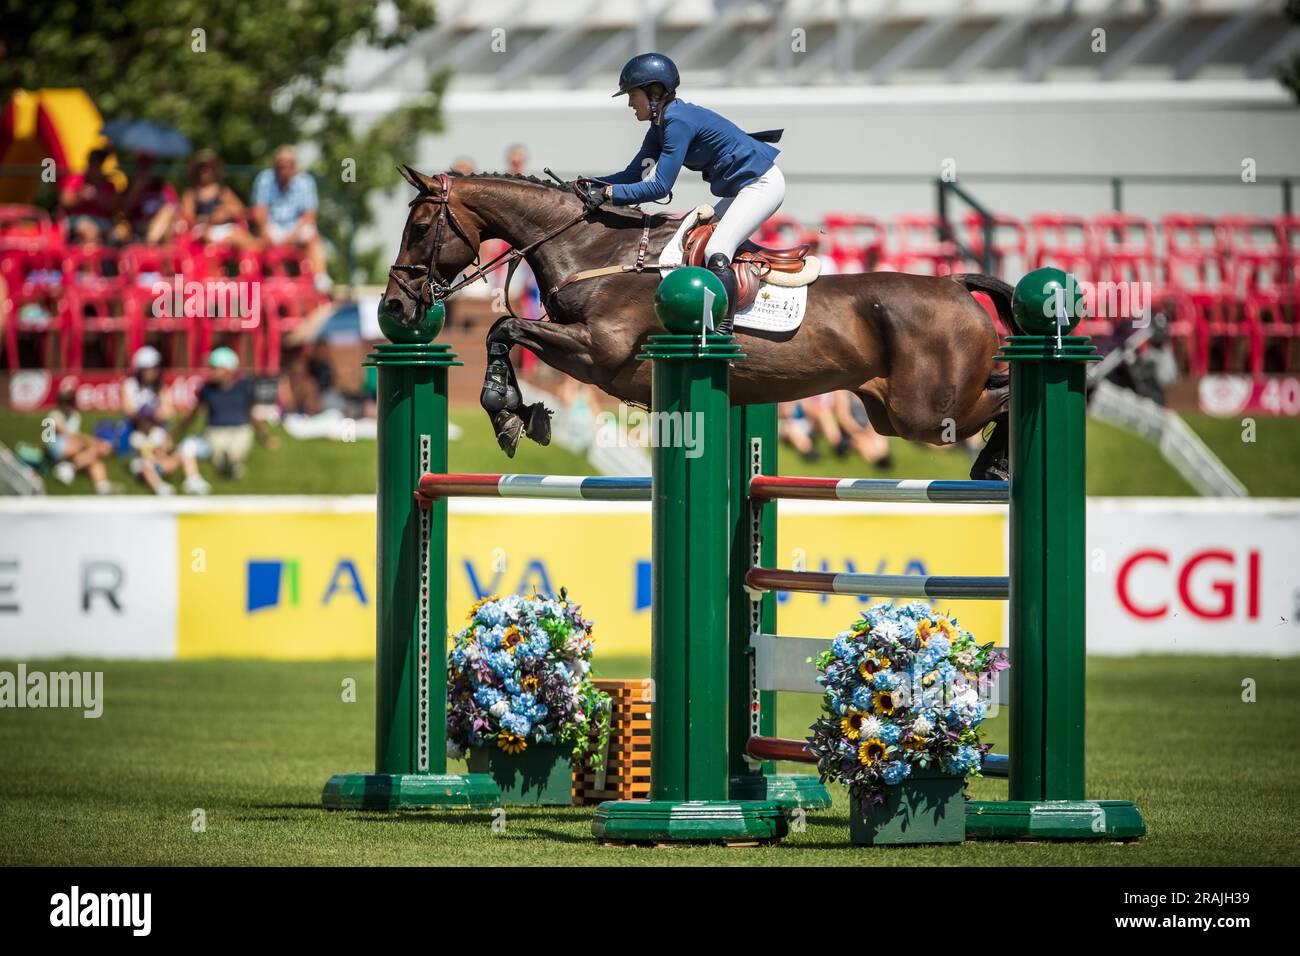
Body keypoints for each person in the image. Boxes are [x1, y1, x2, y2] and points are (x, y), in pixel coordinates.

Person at [585, 52, 785, 334]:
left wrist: (607, 194)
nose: (630, 103)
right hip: (745, 188)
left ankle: (722, 332)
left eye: (632, 95)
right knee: (696, 244)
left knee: (717, 250)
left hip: (762, 184)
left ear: (655, 93)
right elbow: (634, 176)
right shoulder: (661, 124)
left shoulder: (677, 122)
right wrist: (588, 184)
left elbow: (659, 187)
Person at [173, 346, 278, 479]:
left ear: (229, 369)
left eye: (216, 368)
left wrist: (265, 437)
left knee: (237, 447)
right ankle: (229, 465)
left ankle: (232, 463)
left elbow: (250, 413)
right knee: (218, 451)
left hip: (240, 431)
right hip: (215, 432)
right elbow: (193, 416)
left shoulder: (244, 387)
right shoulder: (207, 389)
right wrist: (175, 434)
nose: (212, 372)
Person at [250, 146, 330, 291]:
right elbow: (259, 211)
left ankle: (320, 277)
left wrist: (292, 234)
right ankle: (262, 281)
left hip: (295, 228)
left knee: (312, 235)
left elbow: (309, 215)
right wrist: (265, 230)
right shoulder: (265, 179)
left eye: (288, 163)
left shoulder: (305, 181)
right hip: (272, 227)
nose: (284, 167)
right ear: (275, 165)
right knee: (257, 241)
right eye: (281, 163)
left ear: (295, 165)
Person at [44, 383, 120, 494]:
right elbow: (62, 434)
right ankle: (70, 467)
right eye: (66, 402)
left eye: (70, 402)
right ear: (60, 403)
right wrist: (92, 442)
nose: (68, 405)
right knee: (93, 447)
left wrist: (93, 442)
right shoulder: (52, 415)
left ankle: (100, 485)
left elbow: (74, 435)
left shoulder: (75, 416)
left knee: (95, 461)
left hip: (73, 448)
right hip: (57, 447)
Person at [179, 150, 255, 249]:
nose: (204, 172)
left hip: (223, 229)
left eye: (207, 168)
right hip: (201, 230)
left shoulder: (223, 191)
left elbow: (241, 211)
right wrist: (210, 218)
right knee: (207, 237)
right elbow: (188, 218)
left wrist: (226, 212)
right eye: (201, 168)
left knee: (240, 237)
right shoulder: (191, 194)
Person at [59, 148, 123, 245]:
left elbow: (114, 208)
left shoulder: (109, 185)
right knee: (90, 230)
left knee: (120, 233)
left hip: (103, 221)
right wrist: (80, 196)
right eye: (93, 162)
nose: (94, 166)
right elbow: (64, 202)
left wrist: (98, 199)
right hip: (76, 219)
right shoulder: (76, 179)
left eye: (98, 163)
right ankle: (90, 260)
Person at [121, 152, 179, 245]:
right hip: (135, 226)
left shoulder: (163, 188)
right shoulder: (130, 187)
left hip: (160, 228)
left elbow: (174, 210)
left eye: (147, 165)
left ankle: (150, 245)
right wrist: (136, 188)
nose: (144, 168)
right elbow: (124, 211)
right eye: (142, 164)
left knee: (168, 210)